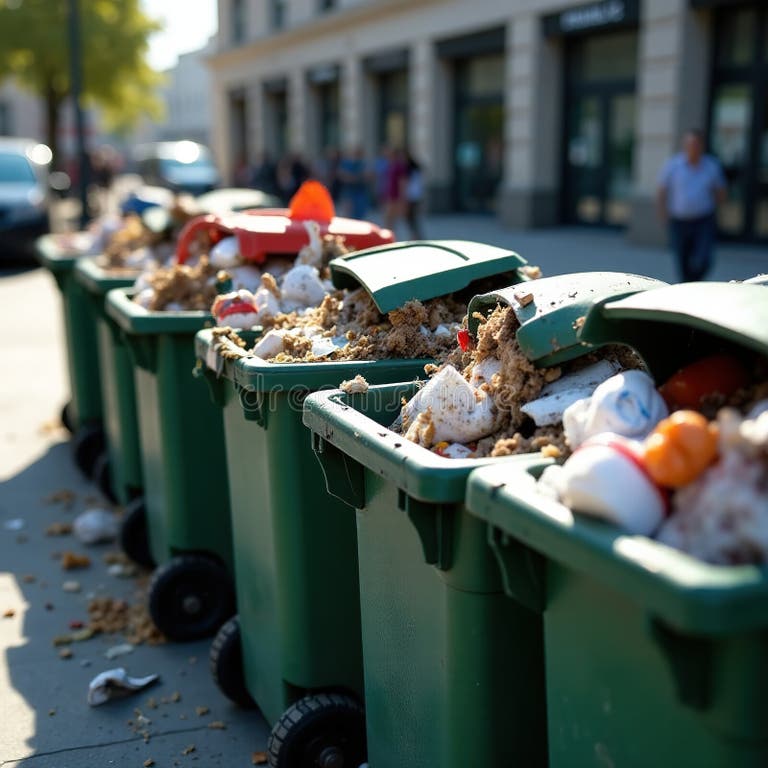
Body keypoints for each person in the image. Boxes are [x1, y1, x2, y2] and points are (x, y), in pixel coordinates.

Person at [657, 129, 726, 282]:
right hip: (679, 221)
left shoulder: (711, 166)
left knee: (704, 259)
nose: (692, 147)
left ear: (701, 146)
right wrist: (663, 213)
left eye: (695, 144)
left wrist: (718, 210)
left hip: (703, 220)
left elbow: (720, 191)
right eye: (689, 144)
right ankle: (687, 285)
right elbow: (662, 190)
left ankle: (693, 282)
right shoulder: (673, 165)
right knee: (682, 259)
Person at [338, 146, 370, 220]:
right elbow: (342, 175)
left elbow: (368, 176)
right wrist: (356, 177)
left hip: (360, 192)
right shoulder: (346, 163)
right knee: (348, 214)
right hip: (349, 192)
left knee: (360, 215)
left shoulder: (364, 164)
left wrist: (353, 177)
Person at [404, 151, 424, 239]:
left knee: (410, 217)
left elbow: (407, 184)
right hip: (416, 195)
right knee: (413, 217)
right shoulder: (416, 169)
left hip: (411, 196)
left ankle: (415, 236)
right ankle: (416, 236)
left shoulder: (408, 170)